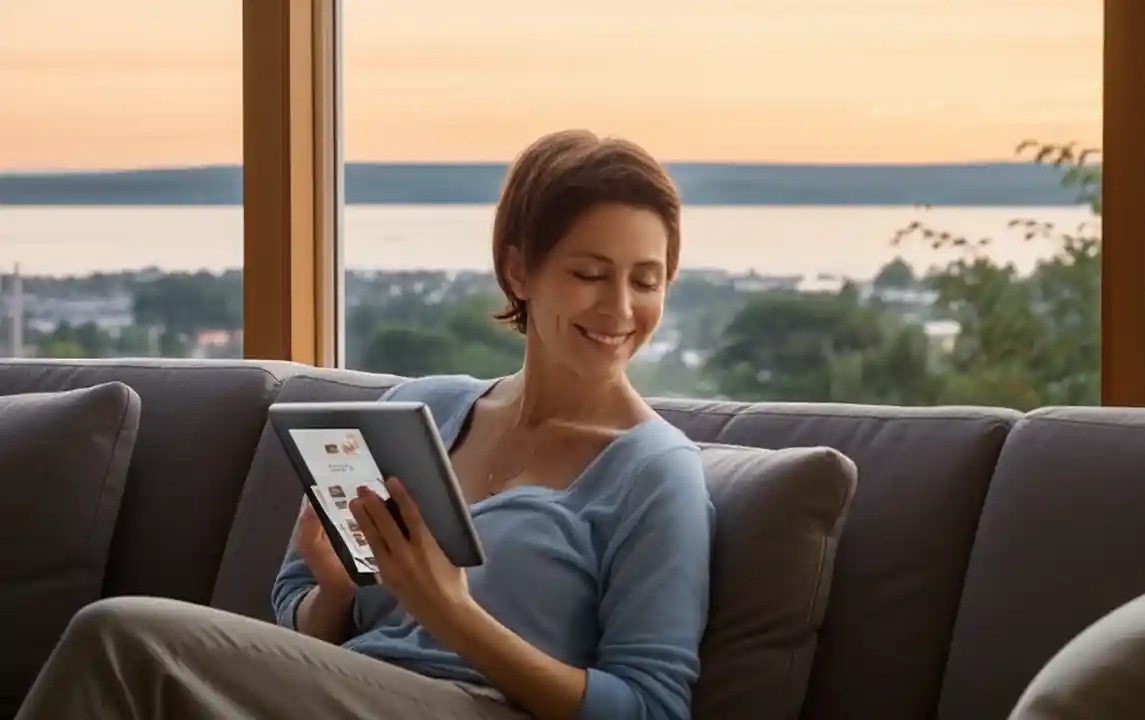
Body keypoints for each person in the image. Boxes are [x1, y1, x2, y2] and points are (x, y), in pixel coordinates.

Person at [14, 129, 715, 720]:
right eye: (590, 273)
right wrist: (339, 590)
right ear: (519, 271)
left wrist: (453, 618)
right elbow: (294, 609)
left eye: (646, 280)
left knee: (122, 636)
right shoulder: (424, 411)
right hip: (348, 692)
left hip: (477, 706)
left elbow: (650, 706)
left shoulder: (655, 471)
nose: (620, 307)